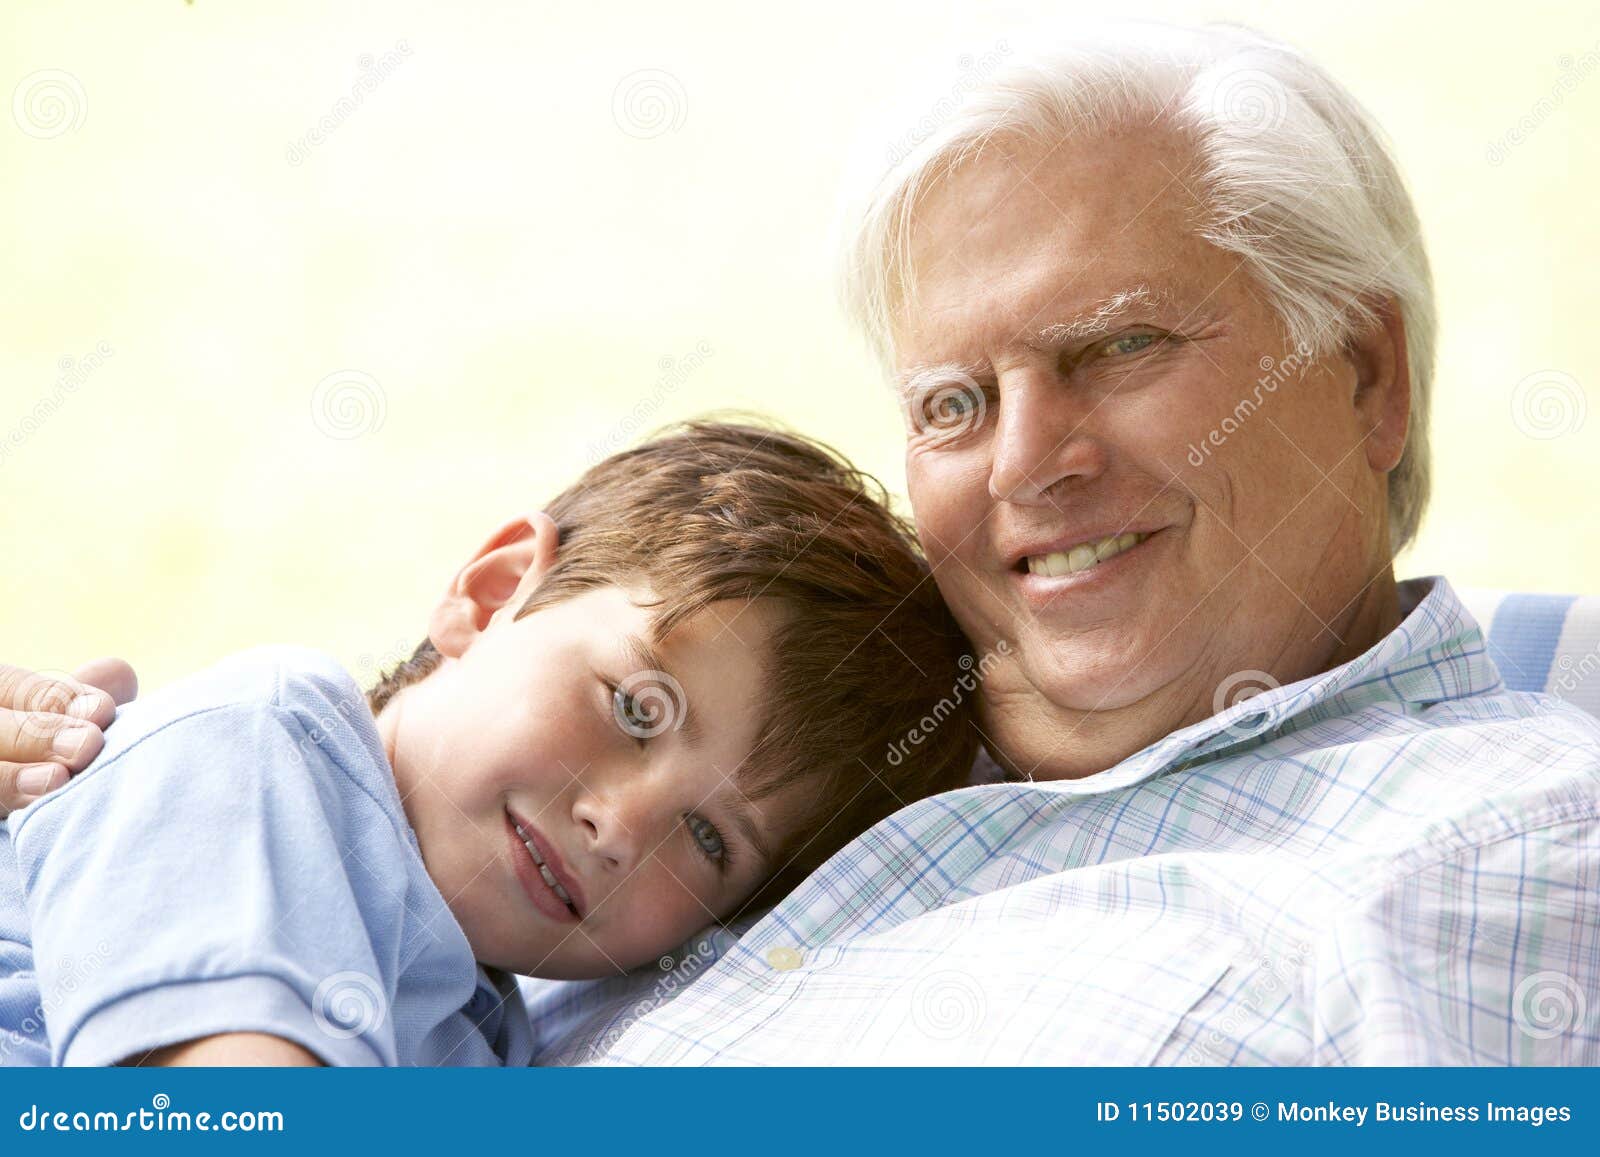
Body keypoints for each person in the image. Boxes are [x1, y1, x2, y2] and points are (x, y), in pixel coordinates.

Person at [5, 20, 1597, 1064]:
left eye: (1119, 347)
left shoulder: (1495, 844)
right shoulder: (809, 728)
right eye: (958, 402)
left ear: (1364, 372)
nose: (1032, 463)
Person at [0, 421, 977, 1066]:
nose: (622, 825)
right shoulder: (256, 749)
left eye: (713, 838)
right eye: (636, 707)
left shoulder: (487, 1022)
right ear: (490, 590)